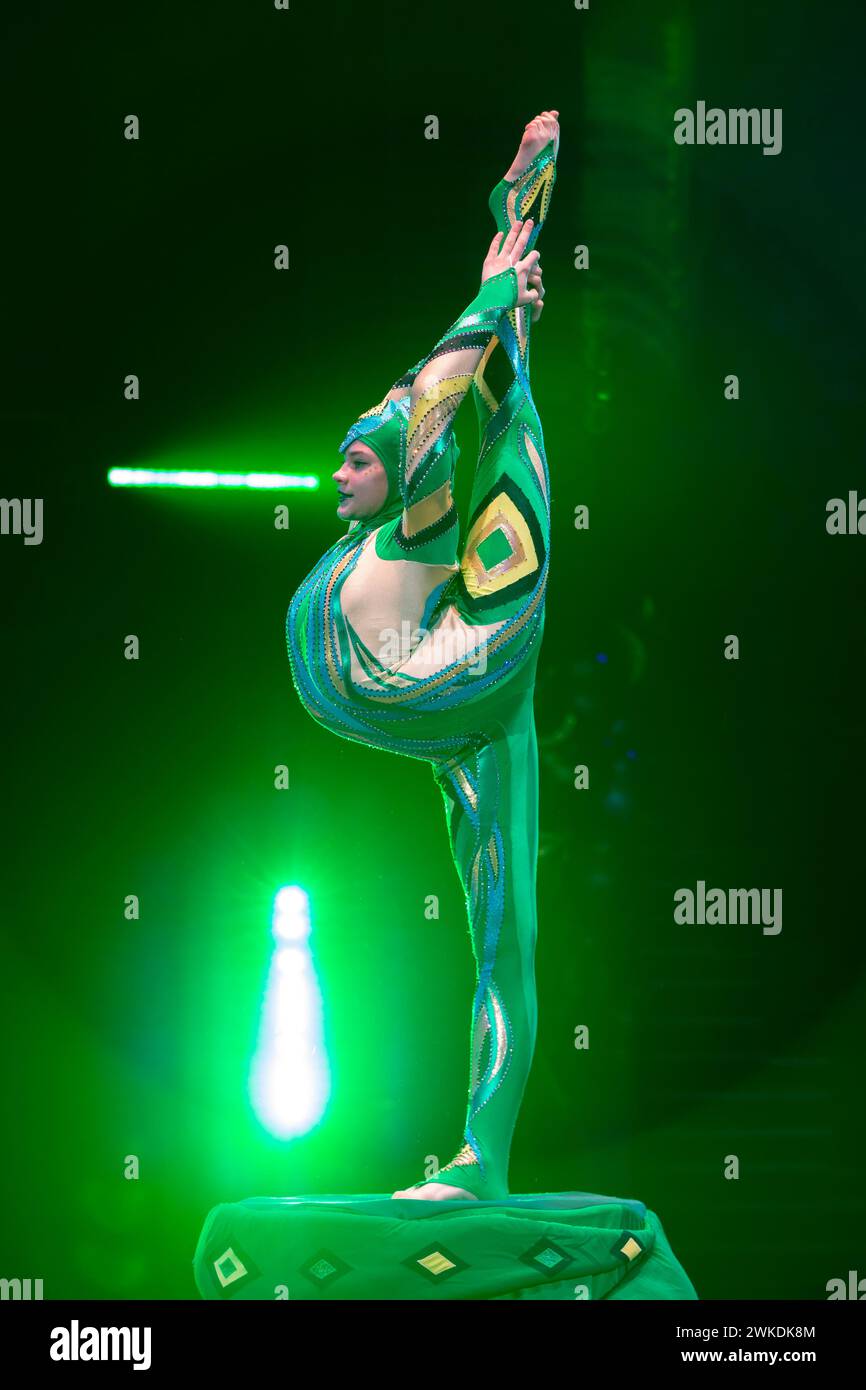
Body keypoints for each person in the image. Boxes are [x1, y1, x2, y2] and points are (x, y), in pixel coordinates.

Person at [286, 112, 560, 1201]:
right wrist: (514, 255)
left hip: (461, 674)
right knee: (510, 931)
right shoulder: (400, 521)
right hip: (444, 684)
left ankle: (481, 1160)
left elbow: (438, 397)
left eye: (356, 454)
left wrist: (496, 284)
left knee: (509, 935)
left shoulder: (423, 504)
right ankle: (483, 1159)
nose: (336, 467)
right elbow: (467, 388)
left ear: (401, 464)